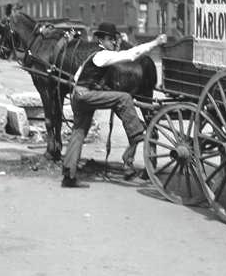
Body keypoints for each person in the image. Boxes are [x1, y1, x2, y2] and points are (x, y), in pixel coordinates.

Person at [61, 21, 167, 188]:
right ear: (103, 40)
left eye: (114, 40)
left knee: (79, 132)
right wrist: (156, 42)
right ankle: (136, 134)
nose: (114, 43)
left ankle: (69, 175)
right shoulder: (103, 55)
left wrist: (94, 86)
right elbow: (132, 55)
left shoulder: (92, 56)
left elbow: (77, 77)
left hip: (78, 95)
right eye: (111, 40)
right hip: (85, 96)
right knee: (123, 98)